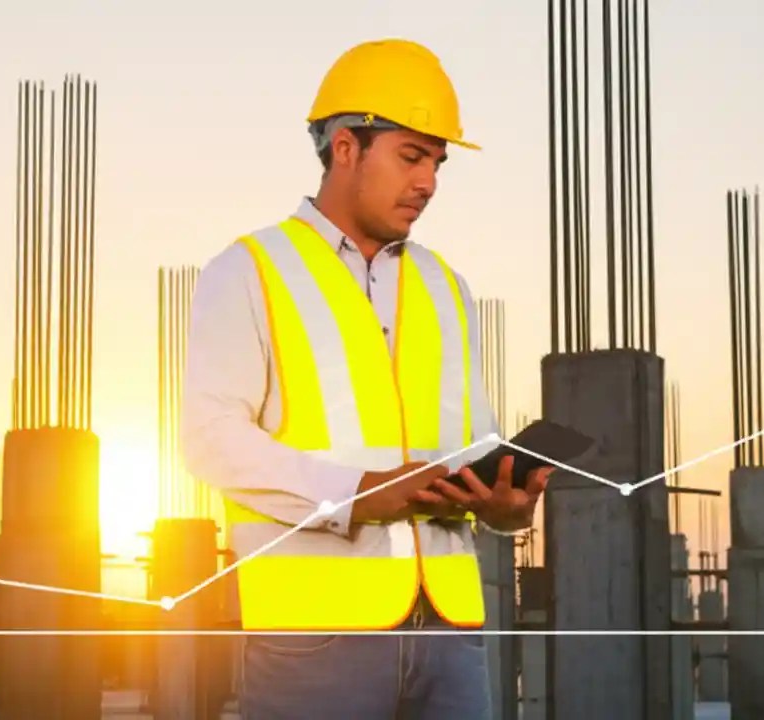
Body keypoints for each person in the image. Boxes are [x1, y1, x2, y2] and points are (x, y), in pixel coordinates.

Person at [180, 37, 551, 720]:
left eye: (437, 163)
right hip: (318, 637)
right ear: (345, 147)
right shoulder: (251, 269)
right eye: (411, 156)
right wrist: (356, 494)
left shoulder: (447, 287)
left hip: (452, 633)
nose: (428, 183)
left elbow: (473, 442)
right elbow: (209, 439)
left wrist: (504, 509)